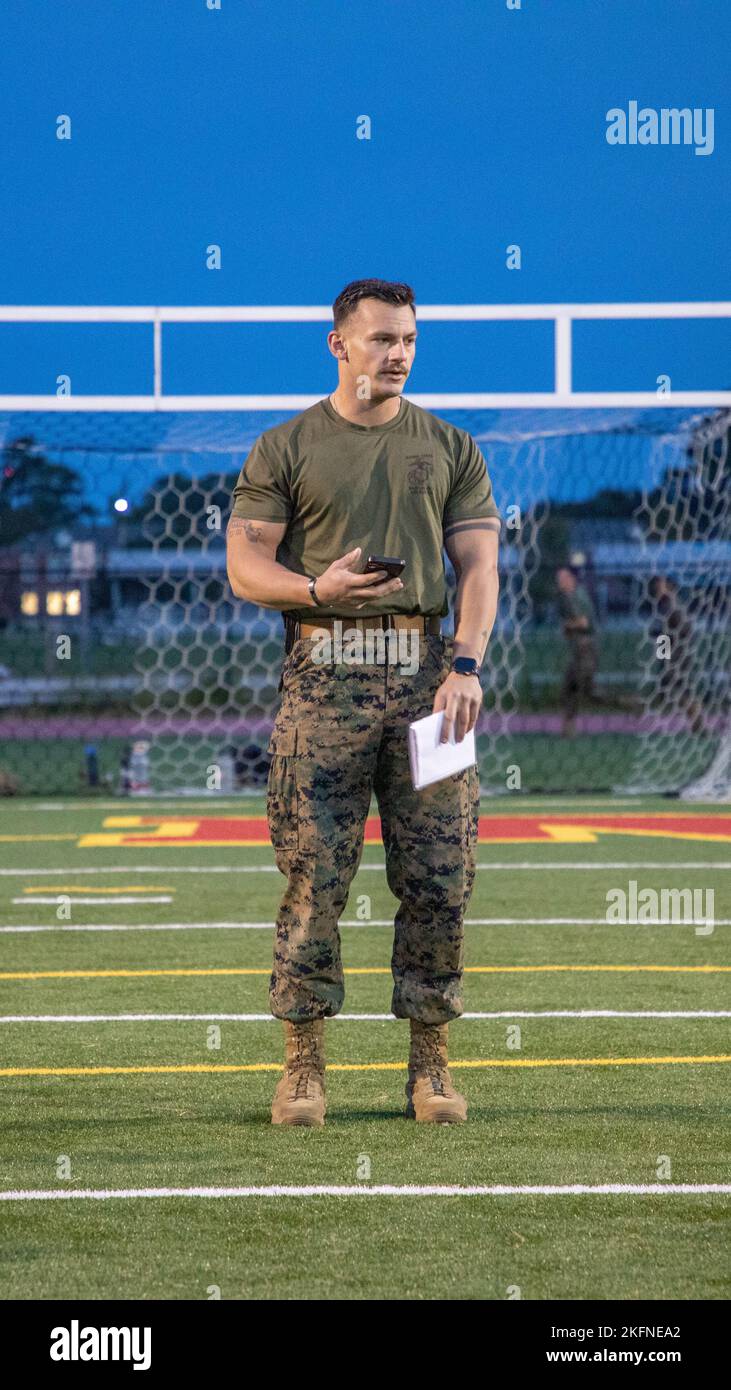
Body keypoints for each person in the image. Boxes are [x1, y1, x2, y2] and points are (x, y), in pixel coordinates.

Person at [227, 278, 501, 1126]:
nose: (399, 353)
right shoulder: (284, 446)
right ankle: (303, 1065)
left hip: (429, 678)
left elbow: (479, 568)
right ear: (337, 344)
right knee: (314, 875)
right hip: (324, 669)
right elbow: (245, 567)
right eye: (382, 338)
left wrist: (465, 663)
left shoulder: (450, 447)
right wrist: (316, 586)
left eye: (409, 339)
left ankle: (430, 1065)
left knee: (441, 875)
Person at [555, 566, 601, 737]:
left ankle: (630, 704)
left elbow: (584, 622)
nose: (559, 582)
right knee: (573, 688)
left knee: (579, 689)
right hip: (579, 650)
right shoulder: (565, 598)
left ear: (571, 579)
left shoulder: (577, 596)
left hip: (586, 649)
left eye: (562, 578)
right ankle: (568, 728)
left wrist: (567, 626)